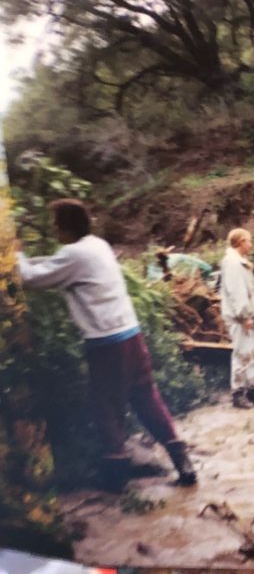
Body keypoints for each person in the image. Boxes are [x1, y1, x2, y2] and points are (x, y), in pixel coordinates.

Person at [16, 199, 197, 489]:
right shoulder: (96, 246)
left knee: (105, 406)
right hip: (131, 334)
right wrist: (30, 259)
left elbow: (31, 278)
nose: (53, 230)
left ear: (66, 227)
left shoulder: (73, 254)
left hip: (106, 343)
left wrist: (15, 255)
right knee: (146, 397)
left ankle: (115, 475)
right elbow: (54, 265)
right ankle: (183, 463)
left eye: (55, 225)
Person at [220, 228, 254, 409]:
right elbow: (237, 293)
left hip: (252, 315)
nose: (251, 244)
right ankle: (238, 393)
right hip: (241, 318)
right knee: (242, 353)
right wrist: (245, 316)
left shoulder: (241, 262)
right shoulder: (233, 263)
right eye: (249, 241)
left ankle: (252, 389)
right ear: (241, 242)